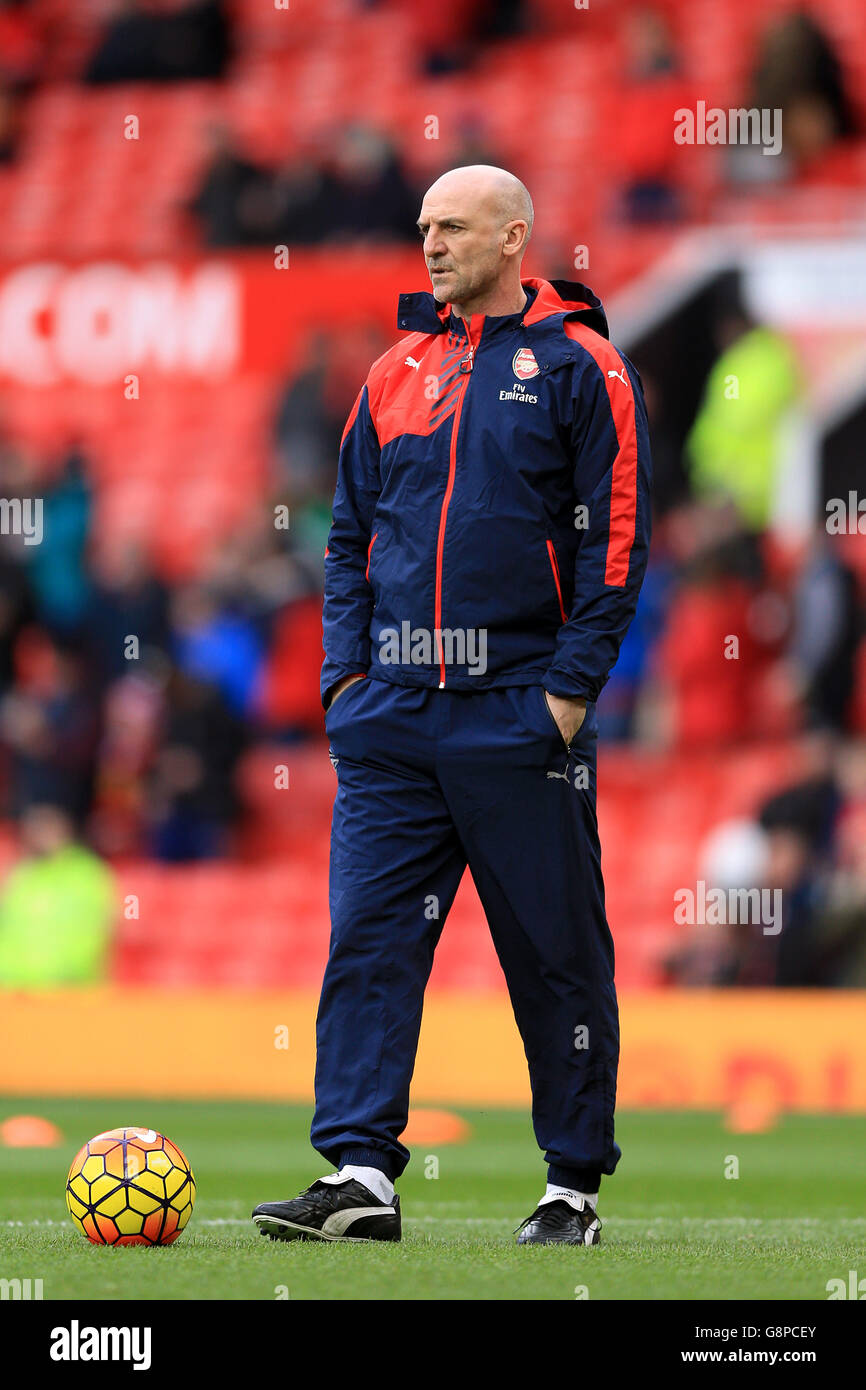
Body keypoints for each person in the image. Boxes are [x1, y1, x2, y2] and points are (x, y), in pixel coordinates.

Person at [252, 165, 652, 1246]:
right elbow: (344, 544)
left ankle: (571, 1186)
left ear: (512, 235)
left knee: (553, 952)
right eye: (422, 226)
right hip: (390, 721)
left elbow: (611, 548)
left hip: (517, 717)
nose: (428, 244)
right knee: (369, 943)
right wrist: (346, 682)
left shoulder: (582, 369)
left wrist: (562, 701)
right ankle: (358, 1177)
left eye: (453, 227)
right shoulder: (391, 370)